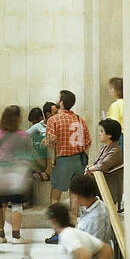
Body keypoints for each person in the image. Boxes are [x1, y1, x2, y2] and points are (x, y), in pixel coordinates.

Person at [0, 105, 36, 251]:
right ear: (18, 118)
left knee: (1, 204)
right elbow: (28, 154)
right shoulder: (24, 135)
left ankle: (0, 235)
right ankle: (15, 235)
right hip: (17, 172)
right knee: (16, 204)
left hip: (0, 170)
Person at [44, 89, 92, 217]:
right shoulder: (80, 120)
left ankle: (57, 229)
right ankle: (73, 225)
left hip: (63, 161)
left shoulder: (53, 120)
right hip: (79, 161)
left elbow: (50, 143)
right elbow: (88, 142)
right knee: (75, 194)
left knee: (55, 196)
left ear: (61, 102)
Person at [85, 118, 124, 206]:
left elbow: (102, 166)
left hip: (108, 186)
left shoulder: (115, 150)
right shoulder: (105, 147)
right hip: (99, 184)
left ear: (109, 135)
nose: (99, 134)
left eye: (102, 131)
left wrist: (89, 168)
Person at [26, 106, 50, 185]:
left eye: (34, 122)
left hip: (45, 160)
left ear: (41, 118)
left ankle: (41, 172)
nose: (32, 125)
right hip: (37, 159)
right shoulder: (36, 127)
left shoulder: (42, 127)